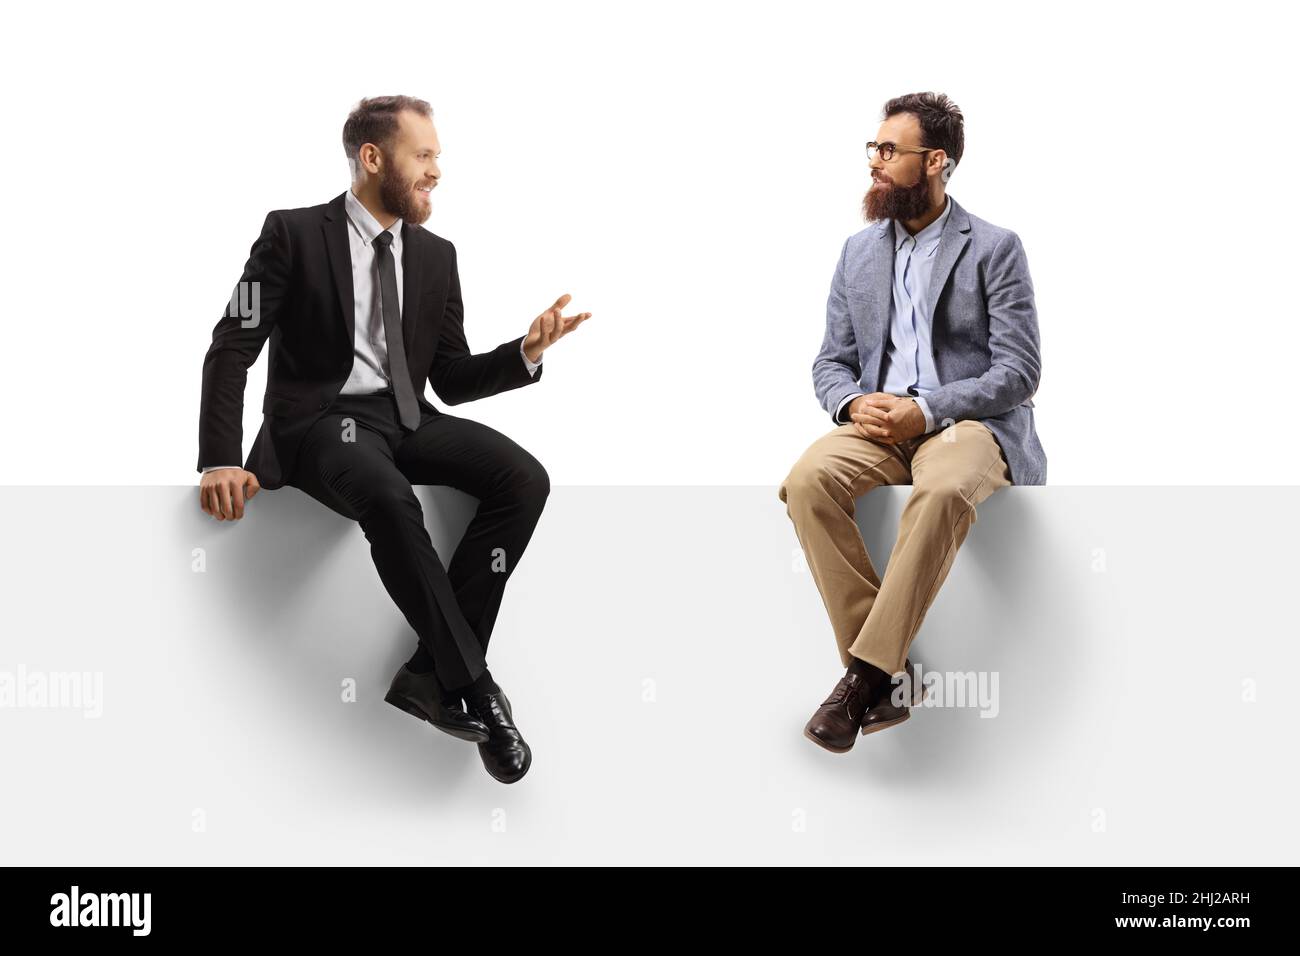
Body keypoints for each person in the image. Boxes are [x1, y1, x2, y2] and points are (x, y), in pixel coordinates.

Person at [197, 95, 591, 783]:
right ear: (373, 158)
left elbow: (451, 377)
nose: (437, 170)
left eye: (438, 155)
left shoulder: (437, 256)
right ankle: (478, 688)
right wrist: (219, 458)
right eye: (425, 155)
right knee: (384, 492)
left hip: (406, 418)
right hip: (318, 423)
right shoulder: (289, 234)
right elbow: (232, 346)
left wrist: (524, 352)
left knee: (523, 478)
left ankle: (427, 675)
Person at [779, 92, 1045, 753]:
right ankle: (895, 672)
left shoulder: (994, 247)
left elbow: (1019, 370)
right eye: (874, 148)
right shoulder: (857, 252)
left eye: (889, 151)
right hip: (876, 427)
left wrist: (925, 408)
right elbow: (830, 362)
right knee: (806, 481)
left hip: (966, 425)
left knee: (947, 487)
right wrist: (849, 403)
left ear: (934, 162)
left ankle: (866, 676)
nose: (875, 161)